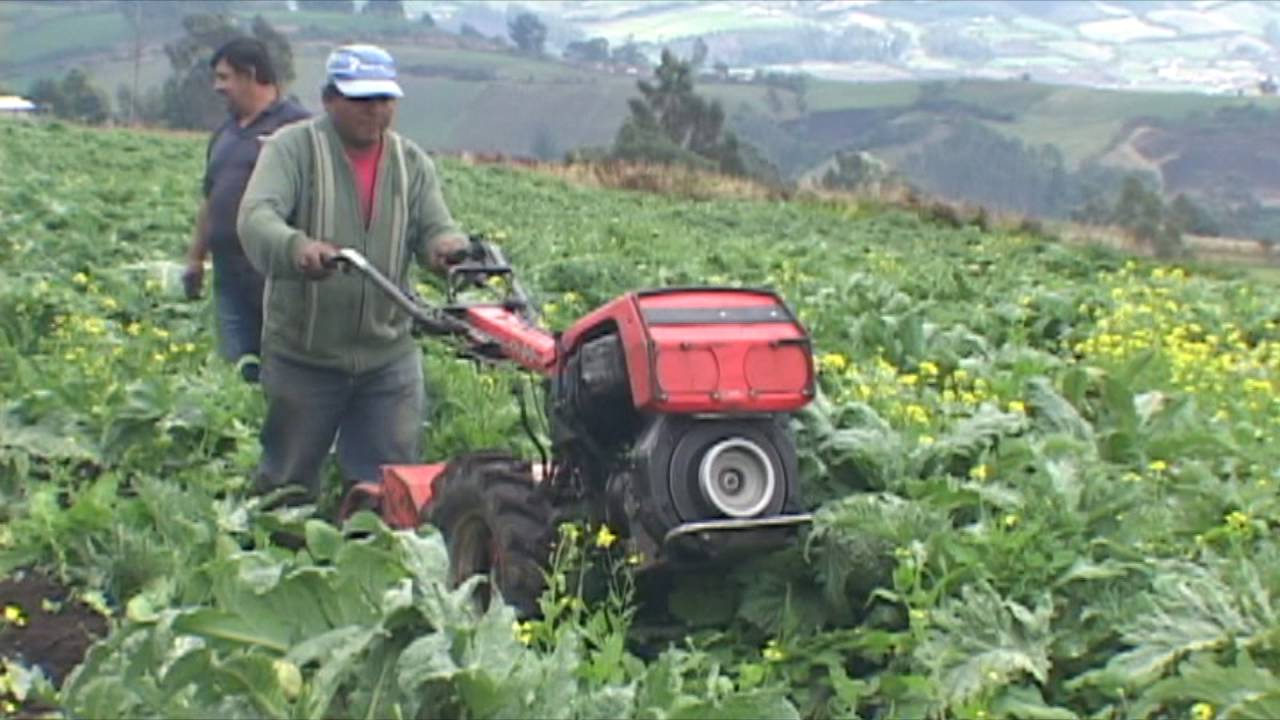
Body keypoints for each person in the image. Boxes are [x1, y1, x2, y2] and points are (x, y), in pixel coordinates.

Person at [237, 44, 468, 506]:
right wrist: (298, 248)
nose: (374, 110)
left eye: (384, 100)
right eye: (361, 99)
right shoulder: (293, 149)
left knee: (388, 484)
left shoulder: (411, 163)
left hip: (388, 357)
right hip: (305, 355)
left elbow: (434, 227)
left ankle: (367, 544)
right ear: (329, 99)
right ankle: (282, 545)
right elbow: (256, 217)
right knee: (287, 482)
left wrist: (446, 247)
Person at [184, 37, 310, 383]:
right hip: (229, 276)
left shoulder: (298, 128)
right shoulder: (224, 134)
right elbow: (211, 199)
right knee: (238, 374)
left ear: (250, 74)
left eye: (224, 77)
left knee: (283, 370)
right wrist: (195, 258)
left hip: (276, 276)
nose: (218, 87)